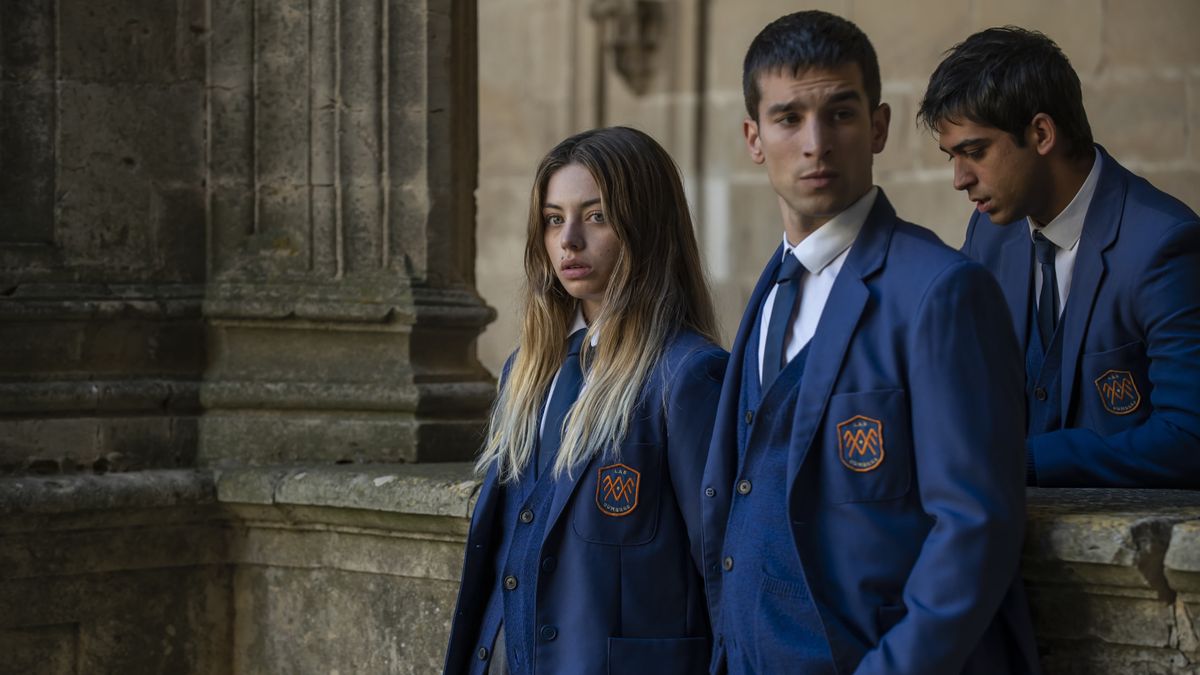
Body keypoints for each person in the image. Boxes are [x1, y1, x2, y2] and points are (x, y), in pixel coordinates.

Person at [699, 11, 1040, 674]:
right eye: (788, 118)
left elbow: (976, 531)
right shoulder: (767, 295)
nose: (816, 143)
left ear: (878, 126)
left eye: (841, 114)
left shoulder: (943, 291)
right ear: (754, 138)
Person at [443, 126, 728, 675]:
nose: (569, 240)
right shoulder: (526, 371)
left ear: (645, 226)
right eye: (554, 219)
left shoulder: (688, 376)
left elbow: (722, 568)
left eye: (596, 216)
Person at [919, 27, 1200, 488]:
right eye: (952, 156)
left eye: (974, 151)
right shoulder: (990, 235)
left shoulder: (1164, 245)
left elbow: (1188, 438)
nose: (960, 179)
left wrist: (1024, 460)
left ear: (1042, 133)